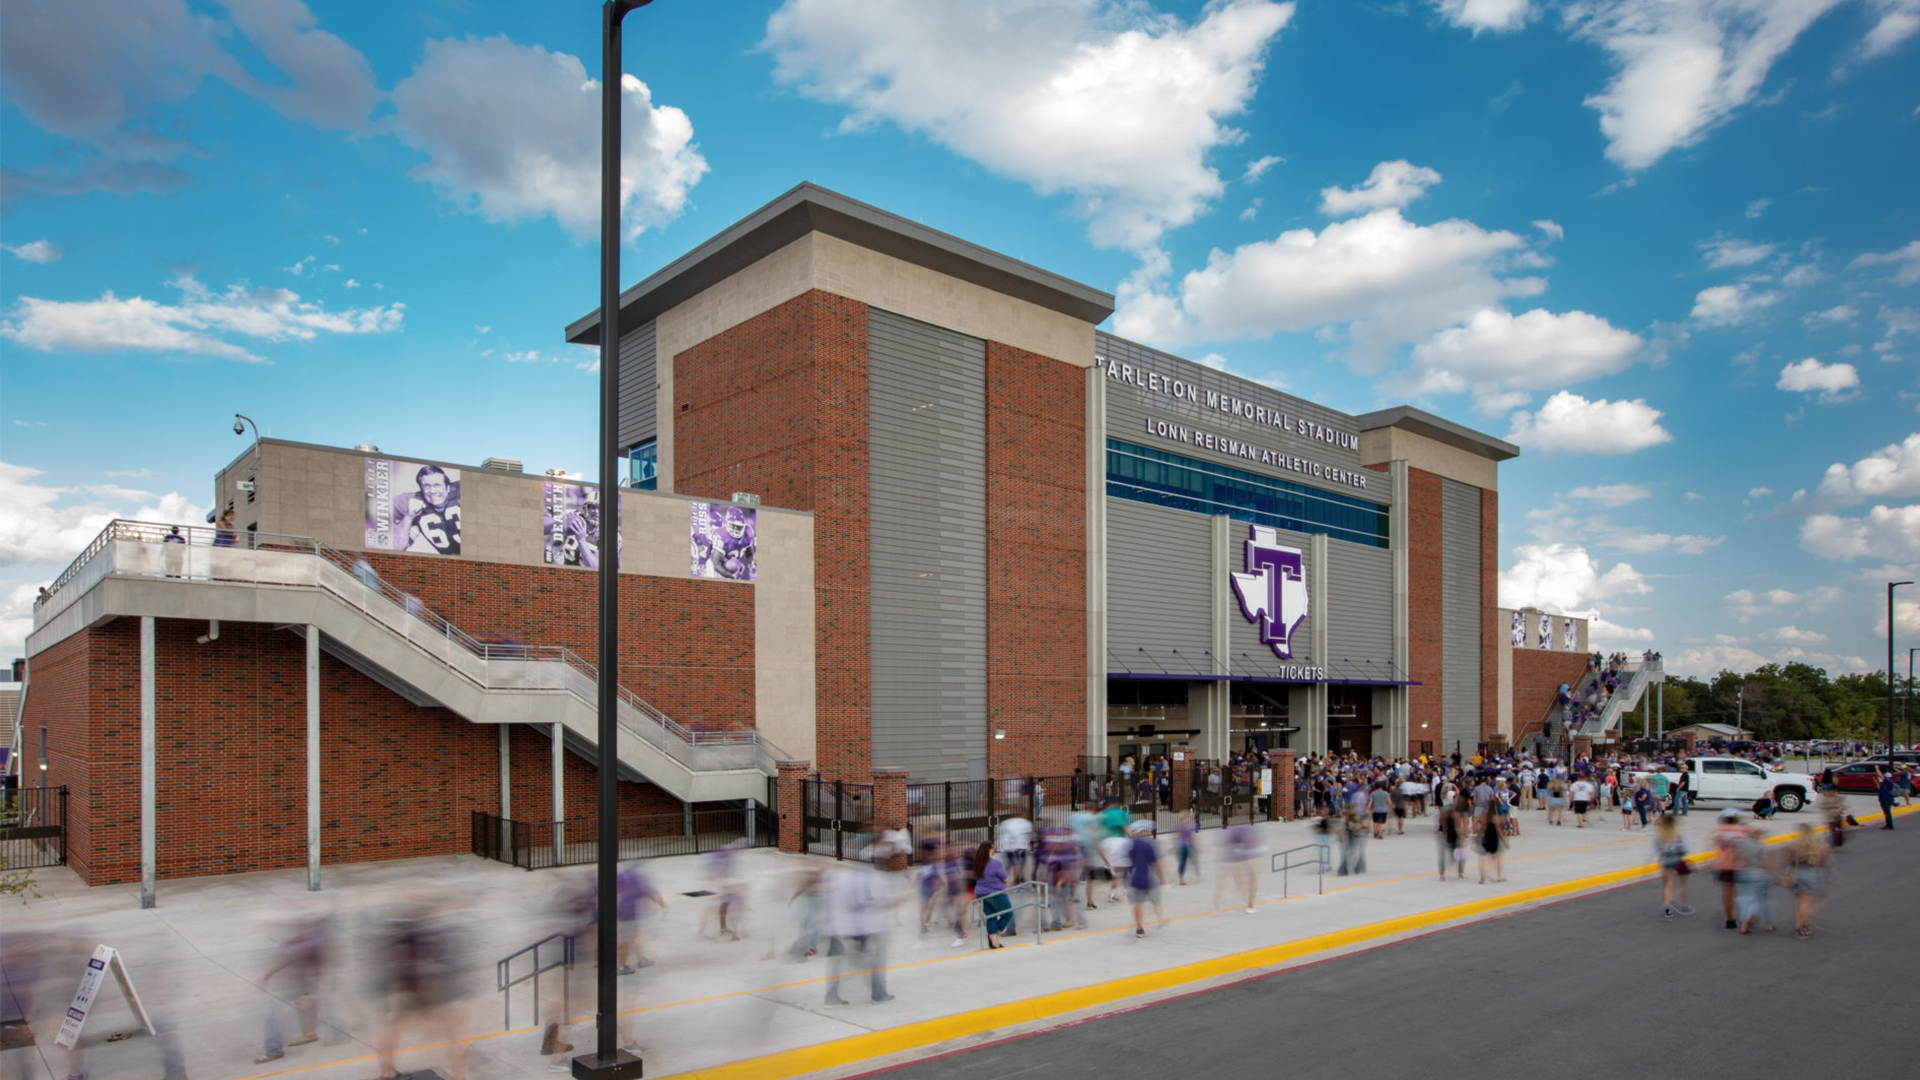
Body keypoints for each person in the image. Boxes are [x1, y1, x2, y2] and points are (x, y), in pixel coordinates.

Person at [255, 913, 330, 1064]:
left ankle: (273, 1050)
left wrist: (267, 976)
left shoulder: (303, 943)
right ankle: (309, 1033)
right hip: (303, 983)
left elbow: (287, 962)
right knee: (304, 1005)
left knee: (273, 1013)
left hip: (299, 983)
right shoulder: (309, 942)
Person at [1782, 824, 1831, 939]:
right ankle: (1801, 927)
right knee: (1805, 902)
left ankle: (1802, 924)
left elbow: (1786, 859)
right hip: (1809, 873)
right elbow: (1822, 859)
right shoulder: (1818, 845)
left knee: (1799, 902)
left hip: (1796, 873)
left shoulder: (1794, 845)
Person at [615, 864, 666, 974]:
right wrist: (663, 906)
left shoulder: (625, 879)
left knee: (634, 938)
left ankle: (641, 959)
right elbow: (654, 896)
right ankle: (621, 967)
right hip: (628, 915)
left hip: (623, 913)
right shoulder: (637, 883)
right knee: (626, 941)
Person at [1124, 821, 1165, 938]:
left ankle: (1139, 928)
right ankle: (1159, 919)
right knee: (1156, 899)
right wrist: (1162, 876)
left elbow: (1127, 861)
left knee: (1138, 903)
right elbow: (1155, 863)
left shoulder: (1130, 845)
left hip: (1134, 877)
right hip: (1148, 877)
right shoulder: (1149, 845)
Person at [1652, 814, 1693, 919]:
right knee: (1682, 883)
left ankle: (1667, 907)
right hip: (1678, 860)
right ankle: (1680, 902)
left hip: (1666, 860)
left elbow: (1657, 849)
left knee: (1667, 886)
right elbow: (1685, 848)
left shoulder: (1660, 835)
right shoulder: (1680, 834)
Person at [972, 841, 1012, 949]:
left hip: (981, 894)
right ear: (990, 849)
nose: (994, 849)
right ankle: (994, 936)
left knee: (991, 917)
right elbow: (1006, 878)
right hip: (995, 893)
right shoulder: (995, 863)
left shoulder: (977, 863)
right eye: (993, 847)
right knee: (1008, 913)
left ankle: (994, 943)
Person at [1216, 822, 1259, 914]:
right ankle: (1250, 906)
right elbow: (1252, 842)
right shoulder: (1246, 829)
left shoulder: (1232, 830)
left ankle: (1216, 907)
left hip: (1231, 859)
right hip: (1243, 858)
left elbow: (1225, 842)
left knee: (1224, 881)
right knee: (1252, 880)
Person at [1477, 799, 1505, 884]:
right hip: (1494, 837)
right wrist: (1504, 841)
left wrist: (1481, 837)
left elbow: (1482, 828)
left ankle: (1482, 878)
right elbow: (1499, 831)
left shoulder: (1484, 816)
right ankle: (1499, 876)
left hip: (1486, 837)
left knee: (1482, 858)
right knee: (1497, 857)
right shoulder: (1496, 817)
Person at [1175, 809, 1200, 885]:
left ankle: (1181, 878)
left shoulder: (1178, 825)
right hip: (1187, 845)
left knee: (1182, 862)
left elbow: (1177, 837)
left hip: (1180, 845)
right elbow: (1191, 836)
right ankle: (1198, 876)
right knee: (1194, 860)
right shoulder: (1187, 826)